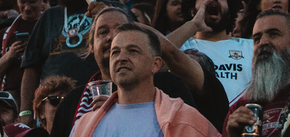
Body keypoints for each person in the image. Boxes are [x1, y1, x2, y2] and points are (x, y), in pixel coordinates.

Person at [70, 23, 218, 137]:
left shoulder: (185, 120)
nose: (121, 58)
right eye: (115, 52)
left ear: (156, 64)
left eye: (133, 51)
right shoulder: (83, 126)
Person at [20, 0, 101, 115]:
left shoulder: (111, 10)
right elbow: (31, 67)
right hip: (56, 106)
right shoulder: (50, 16)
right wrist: (26, 112)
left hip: (97, 103)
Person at [169, 0, 254, 106]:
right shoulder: (181, 46)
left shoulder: (250, 46)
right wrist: (193, 25)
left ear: (230, 12)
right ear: (192, 11)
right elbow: (155, 55)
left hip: (243, 118)